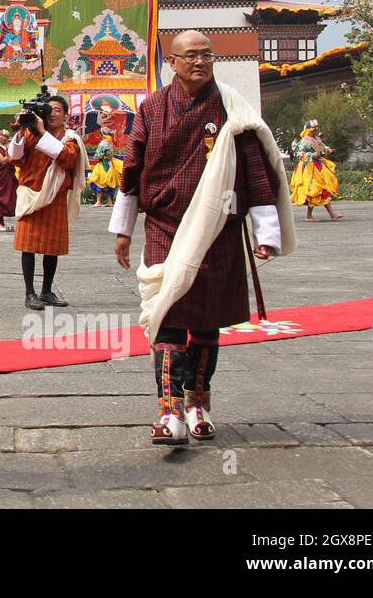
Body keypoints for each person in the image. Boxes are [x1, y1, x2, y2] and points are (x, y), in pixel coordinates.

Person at [111, 30, 294, 445]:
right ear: (172, 63)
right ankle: (169, 411)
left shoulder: (232, 106)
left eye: (207, 55)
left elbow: (255, 171)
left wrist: (266, 232)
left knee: (207, 322)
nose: (199, 62)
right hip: (164, 224)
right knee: (167, 315)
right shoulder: (152, 107)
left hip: (217, 228)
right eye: (190, 56)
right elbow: (132, 169)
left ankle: (198, 402)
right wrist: (123, 229)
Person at [10, 96, 86, 311]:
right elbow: (15, 158)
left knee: (52, 248)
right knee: (28, 247)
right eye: (49, 109)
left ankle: (46, 291)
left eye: (57, 110)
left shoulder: (70, 137)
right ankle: (29, 293)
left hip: (54, 197)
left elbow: (67, 158)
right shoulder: (30, 134)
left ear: (65, 115)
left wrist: (43, 132)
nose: (52, 113)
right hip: (31, 195)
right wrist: (20, 131)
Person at [289, 120, 344, 221]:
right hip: (308, 168)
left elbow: (322, 147)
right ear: (311, 130)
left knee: (321, 189)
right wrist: (311, 155)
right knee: (314, 190)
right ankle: (312, 216)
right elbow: (299, 154)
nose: (317, 130)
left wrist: (328, 150)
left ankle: (331, 215)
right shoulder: (305, 141)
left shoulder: (317, 139)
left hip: (318, 166)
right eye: (315, 128)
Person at [87, 138, 122, 207]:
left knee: (101, 185)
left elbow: (103, 156)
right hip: (105, 169)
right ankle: (107, 202)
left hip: (105, 170)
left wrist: (103, 157)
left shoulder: (106, 152)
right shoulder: (107, 150)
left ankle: (100, 202)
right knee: (105, 186)